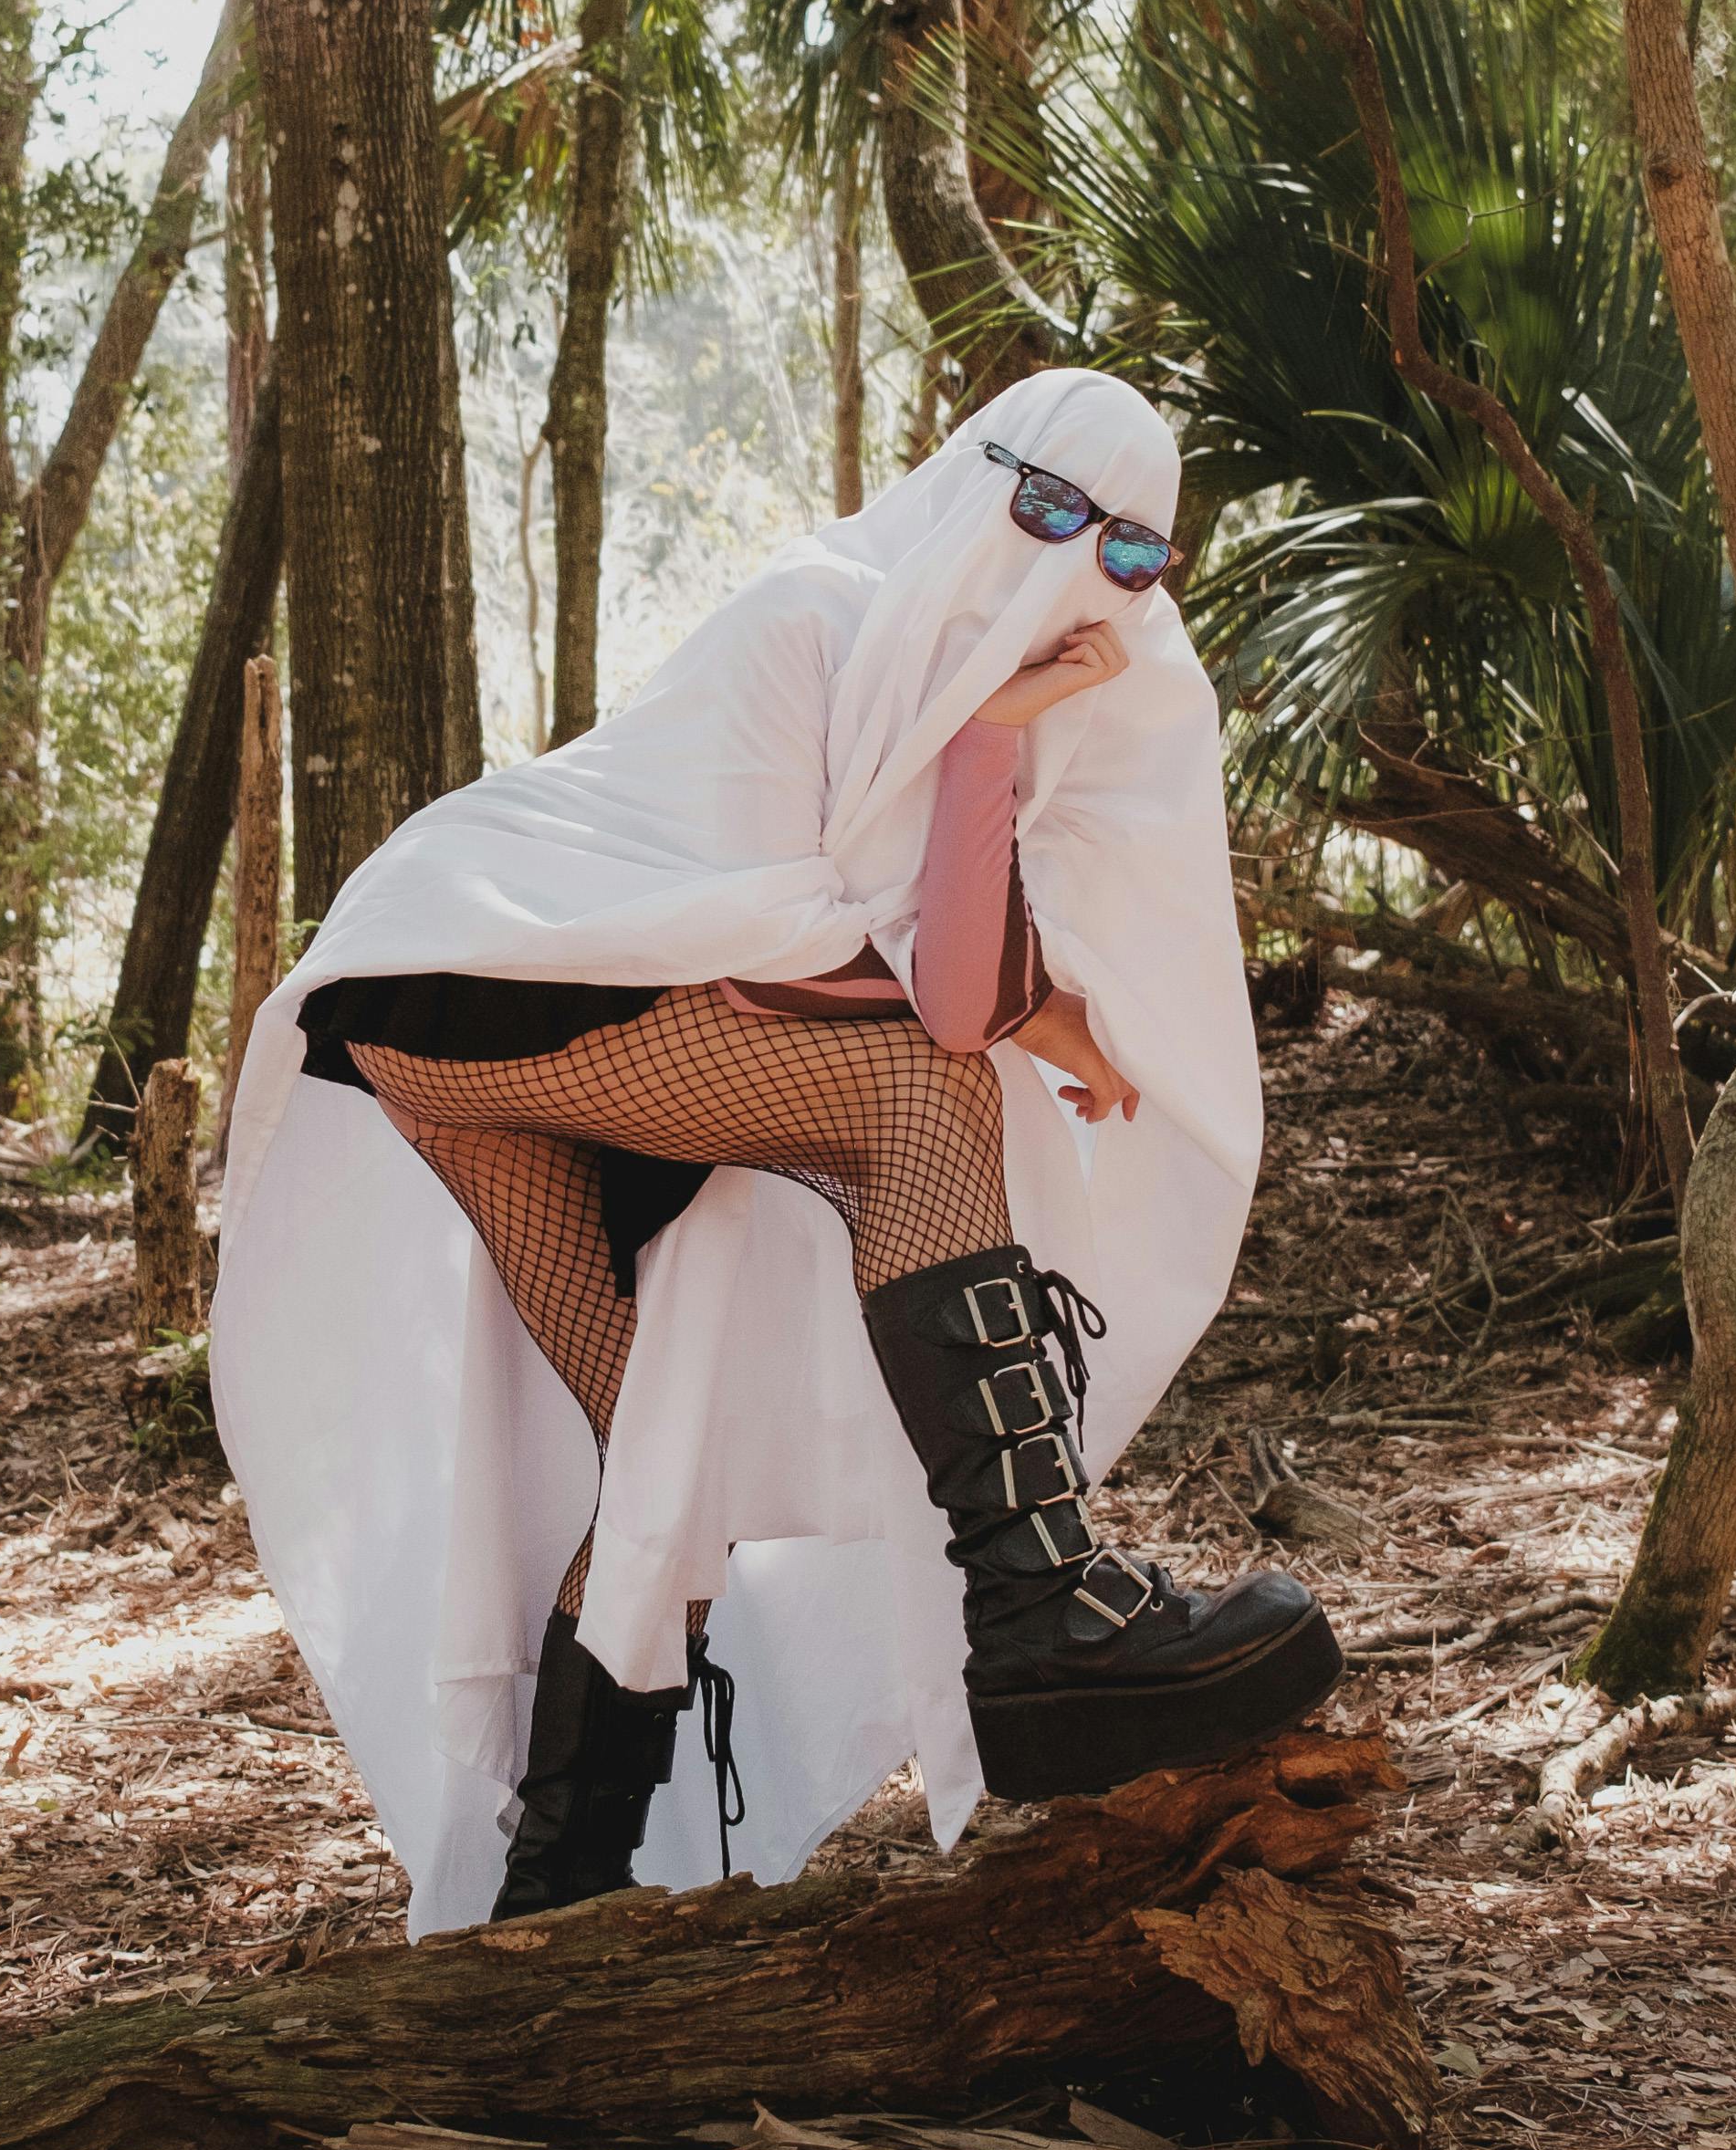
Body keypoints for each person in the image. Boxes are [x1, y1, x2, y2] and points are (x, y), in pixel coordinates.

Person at [207, 363, 1336, 1934]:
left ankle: (554, 1901)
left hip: (537, 1031)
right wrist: (1028, 1010)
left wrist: (993, 747)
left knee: (664, 1428)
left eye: (1134, 552)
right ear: (974, 475)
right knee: (914, 1103)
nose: (1080, 565)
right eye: (1052, 508)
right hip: (461, 979)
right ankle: (1037, 1603)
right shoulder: (816, 610)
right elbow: (777, 938)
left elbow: (926, 972)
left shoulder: (987, 696)